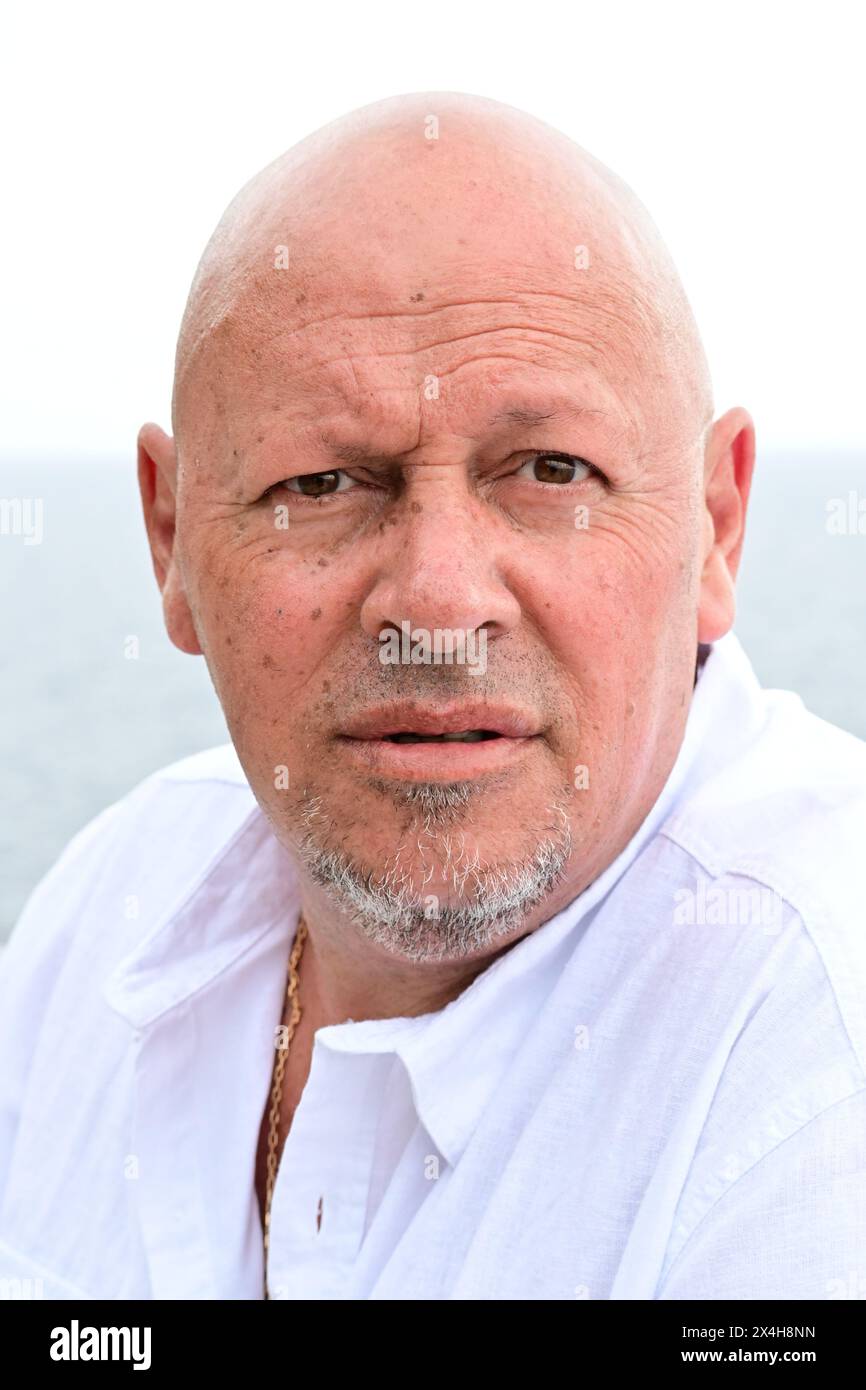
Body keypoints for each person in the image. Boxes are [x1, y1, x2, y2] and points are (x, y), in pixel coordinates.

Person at [1, 91, 864, 1301]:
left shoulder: (819, 1060)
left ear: (714, 528)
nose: (435, 605)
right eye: (323, 480)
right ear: (171, 539)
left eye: (551, 470)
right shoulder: (105, 905)